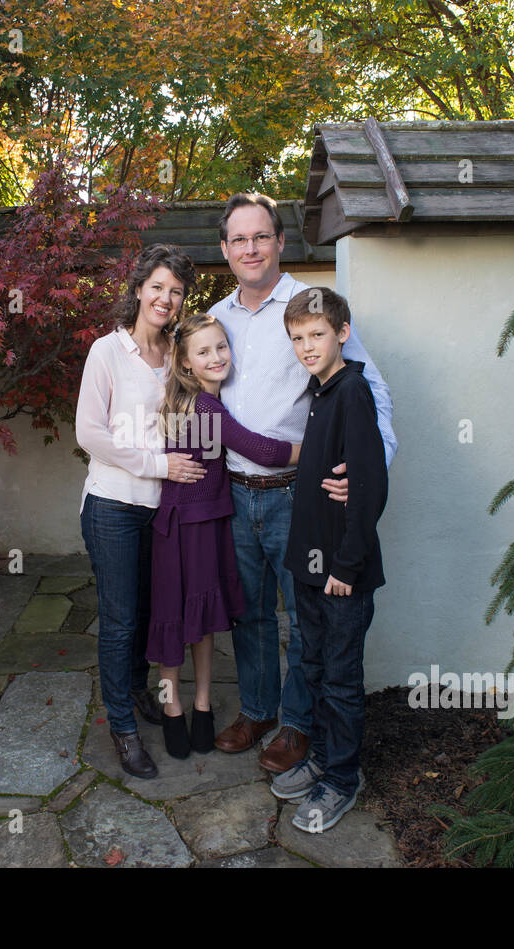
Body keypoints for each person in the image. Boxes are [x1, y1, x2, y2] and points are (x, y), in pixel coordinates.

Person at [208, 192, 397, 772]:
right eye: (238, 239)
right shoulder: (218, 318)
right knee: (251, 613)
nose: (250, 248)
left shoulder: (309, 309)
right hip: (236, 492)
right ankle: (259, 708)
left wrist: (366, 474)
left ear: (280, 242)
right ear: (224, 249)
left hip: (300, 494)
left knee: (306, 622)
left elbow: (373, 394)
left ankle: (297, 724)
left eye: (260, 236)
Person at [75, 244, 206, 779]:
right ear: (137, 289)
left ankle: (134, 690)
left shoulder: (179, 353)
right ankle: (124, 729)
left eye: (175, 291)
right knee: (121, 618)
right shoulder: (107, 351)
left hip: (164, 509)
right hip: (112, 505)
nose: (166, 298)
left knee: (150, 613)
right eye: (157, 287)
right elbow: (90, 434)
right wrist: (158, 464)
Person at [146, 313, 299, 760]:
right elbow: (262, 451)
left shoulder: (197, 400)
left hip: (209, 521)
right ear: (186, 363)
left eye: (221, 347)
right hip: (183, 528)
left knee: (205, 617)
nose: (216, 357)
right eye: (203, 351)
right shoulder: (202, 405)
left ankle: (202, 703)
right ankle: (174, 706)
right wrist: (321, 450)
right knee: (177, 617)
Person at [271, 288, 387, 832]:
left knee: (341, 679)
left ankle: (341, 779)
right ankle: (319, 756)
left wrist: (345, 565)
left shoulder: (353, 391)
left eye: (317, 334)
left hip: (342, 573)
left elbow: (369, 485)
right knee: (312, 667)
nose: (307, 346)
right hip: (310, 568)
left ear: (342, 333)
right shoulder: (321, 393)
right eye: (297, 338)